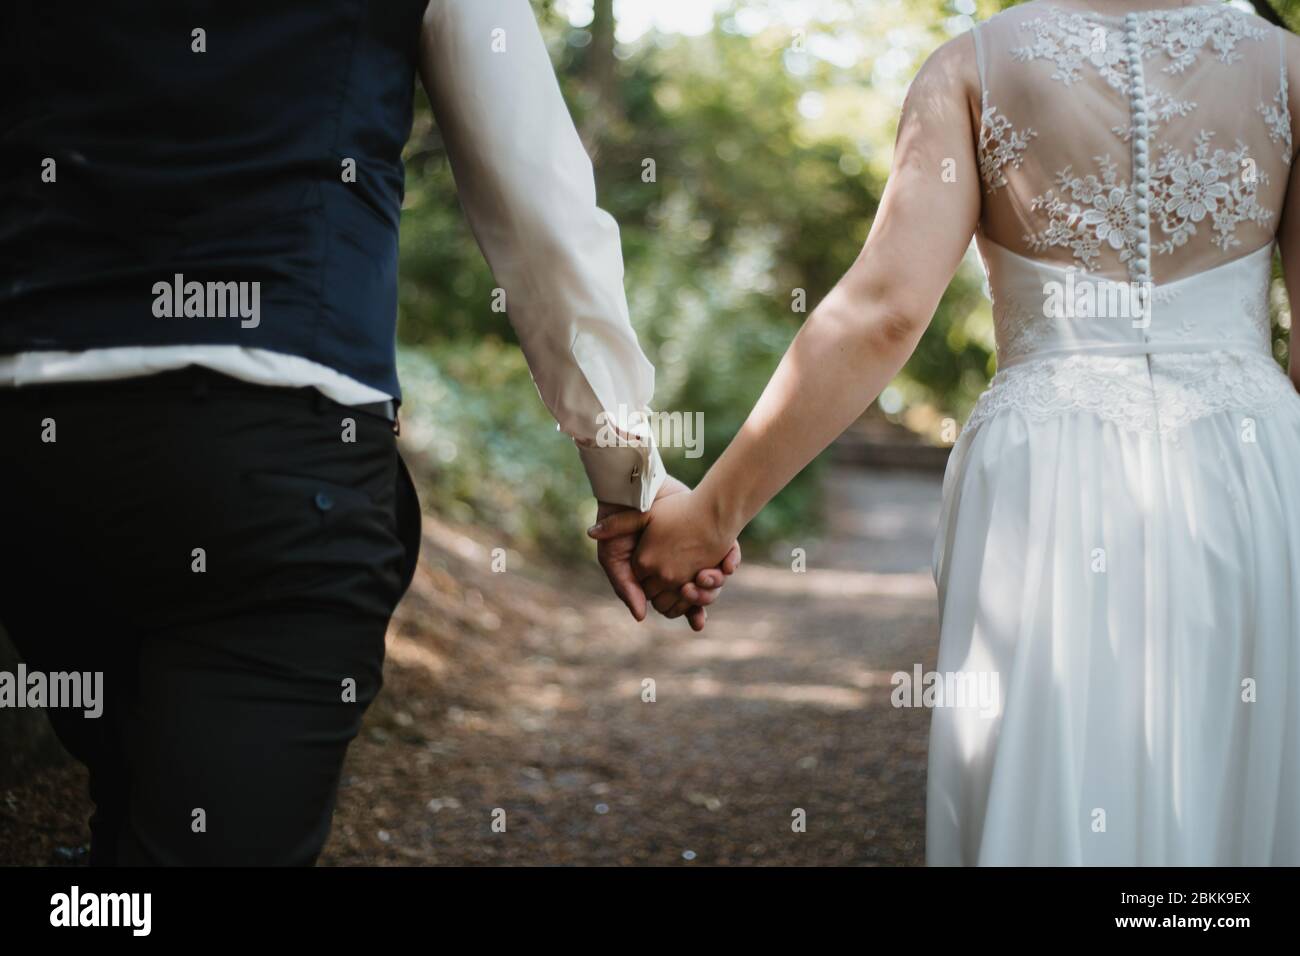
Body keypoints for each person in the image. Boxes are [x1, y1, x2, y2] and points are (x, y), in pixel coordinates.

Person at [0, 0, 736, 866]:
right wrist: (630, 481)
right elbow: (542, 218)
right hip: (273, 462)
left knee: (131, 807)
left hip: (35, 450)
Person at [593, 0, 1300, 865]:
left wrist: (711, 513)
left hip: (1051, 471)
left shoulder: (973, 68)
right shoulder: (1288, 70)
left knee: (1053, 770)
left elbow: (885, 314)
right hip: (1256, 469)